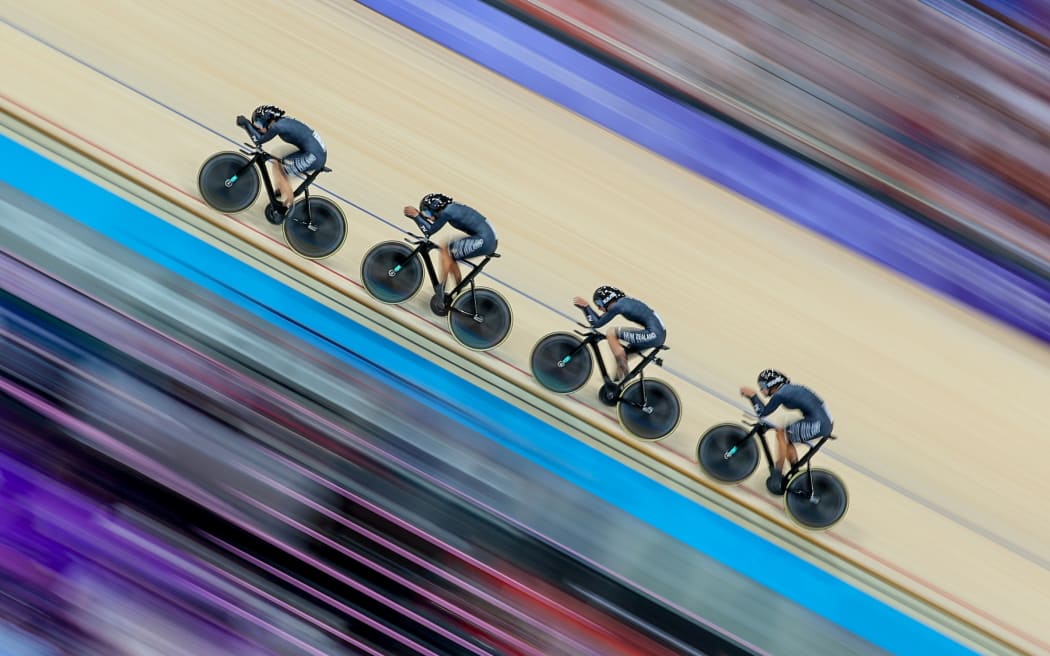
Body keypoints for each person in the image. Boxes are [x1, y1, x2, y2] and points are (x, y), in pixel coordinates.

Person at [403, 193, 498, 308]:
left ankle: (441, 288)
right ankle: (460, 291)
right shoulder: (450, 208)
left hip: (485, 240)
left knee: (446, 250)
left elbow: (430, 230)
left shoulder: (448, 212)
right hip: (488, 239)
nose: (429, 218)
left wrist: (416, 216)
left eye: (428, 213)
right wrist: (420, 216)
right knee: (450, 253)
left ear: (436, 208)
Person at [739, 369, 834, 484]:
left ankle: (778, 472)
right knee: (785, 434)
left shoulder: (781, 393)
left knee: (782, 434)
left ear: (772, 383)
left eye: (762, 386)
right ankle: (795, 474)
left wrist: (753, 395)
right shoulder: (787, 390)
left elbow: (762, 412)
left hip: (819, 423)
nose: (761, 389)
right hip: (824, 421)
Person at [236, 105, 327, 219]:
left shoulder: (279, 126)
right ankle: (281, 192)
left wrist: (246, 124)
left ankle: (290, 206)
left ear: (267, 119)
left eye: (258, 125)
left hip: (314, 156)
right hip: (314, 153)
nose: (258, 128)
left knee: (280, 169)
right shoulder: (282, 123)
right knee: (278, 161)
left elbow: (259, 140)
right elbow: (262, 135)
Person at [572, 286, 666, 381]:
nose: (599, 308)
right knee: (622, 355)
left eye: (599, 304)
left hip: (654, 335)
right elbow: (599, 320)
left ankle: (625, 375)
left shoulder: (619, 305)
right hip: (657, 334)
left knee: (611, 332)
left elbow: (597, 323)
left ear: (608, 299)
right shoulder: (623, 302)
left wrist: (586, 307)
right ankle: (617, 385)